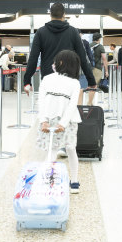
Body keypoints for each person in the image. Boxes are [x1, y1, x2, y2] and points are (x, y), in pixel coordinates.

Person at [23, 2, 96, 95]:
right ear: (64, 14)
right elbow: (83, 57)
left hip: (48, 78)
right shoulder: (73, 32)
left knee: (49, 106)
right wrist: (91, 81)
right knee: (68, 107)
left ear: (50, 14)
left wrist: (27, 81)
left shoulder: (41, 32)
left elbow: (33, 58)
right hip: (69, 78)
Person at [36, 50, 82, 194]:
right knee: (67, 149)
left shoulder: (72, 82)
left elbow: (71, 104)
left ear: (61, 63)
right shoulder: (50, 79)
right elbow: (42, 100)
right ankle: (73, 181)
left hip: (58, 120)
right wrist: (46, 121)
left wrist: (49, 121)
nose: (53, 64)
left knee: (55, 149)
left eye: (56, 61)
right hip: (60, 120)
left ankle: (52, 181)